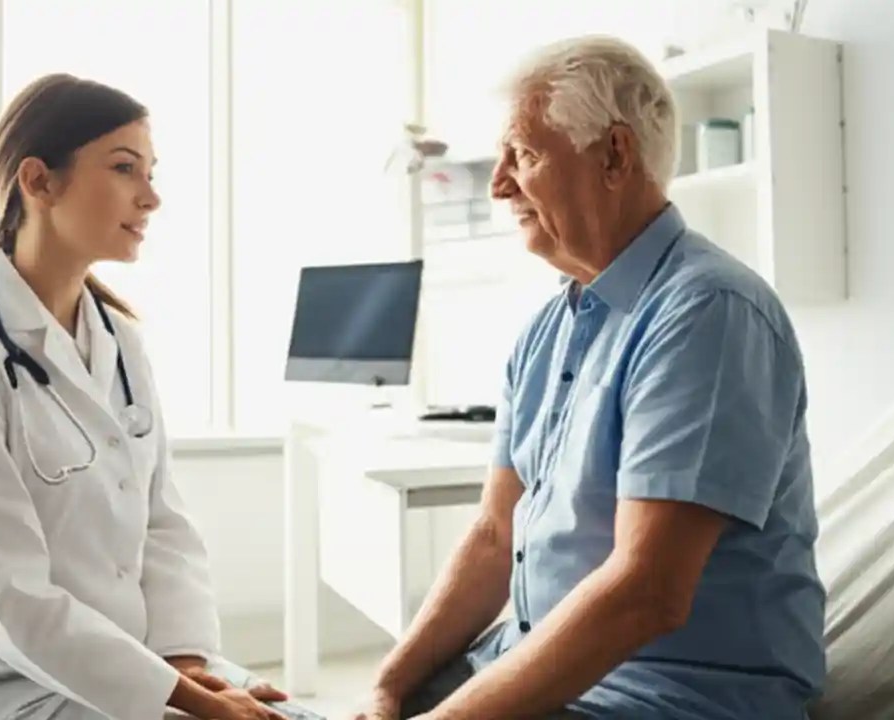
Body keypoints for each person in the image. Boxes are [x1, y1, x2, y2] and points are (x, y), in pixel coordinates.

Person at [353, 36, 826, 720]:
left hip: (667, 695)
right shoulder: (547, 330)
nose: (497, 182)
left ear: (614, 155)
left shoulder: (708, 312)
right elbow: (495, 533)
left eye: (524, 154)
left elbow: (647, 591)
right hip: (529, 658)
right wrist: (388, 686)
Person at [0, 74, 291, 720]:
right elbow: (10, 597)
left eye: (152, 171)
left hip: (129, 666)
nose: (151, 197)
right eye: (126, 168)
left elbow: (163, 524)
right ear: (38, 181)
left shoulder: (121, 343)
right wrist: (183, 699)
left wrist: (184, 666)